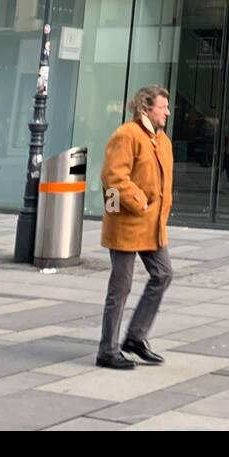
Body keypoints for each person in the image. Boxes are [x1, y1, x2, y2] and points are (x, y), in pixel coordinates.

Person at [97, 85, 175, 370]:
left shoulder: (162, 141)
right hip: (127, 223)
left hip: (153, 225)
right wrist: (138, 201)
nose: (167, 111)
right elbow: (112, 177)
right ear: (146, 109)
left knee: (163, 274)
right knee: (121, 287)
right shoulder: (127, 135)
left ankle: (135, 338)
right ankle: (107, 350)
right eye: (162, 107)